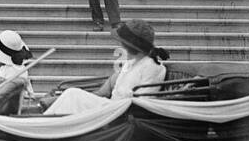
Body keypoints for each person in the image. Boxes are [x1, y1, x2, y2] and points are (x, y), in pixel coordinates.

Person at [41, 20, 169, 115]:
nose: (122, 45)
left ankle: (45, 124)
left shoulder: (154, 67)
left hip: (119, 113)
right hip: (111, 107)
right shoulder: (131, 63)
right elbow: (109, 88)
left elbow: (143, 102)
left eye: (124, 43)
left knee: (73, 94)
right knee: (72, 94)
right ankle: (46, 121)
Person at [0, 29, 36, 111]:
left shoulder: (4, 70)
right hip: (19, 101)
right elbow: (29, 90)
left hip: (6, 103)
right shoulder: (24, 69)